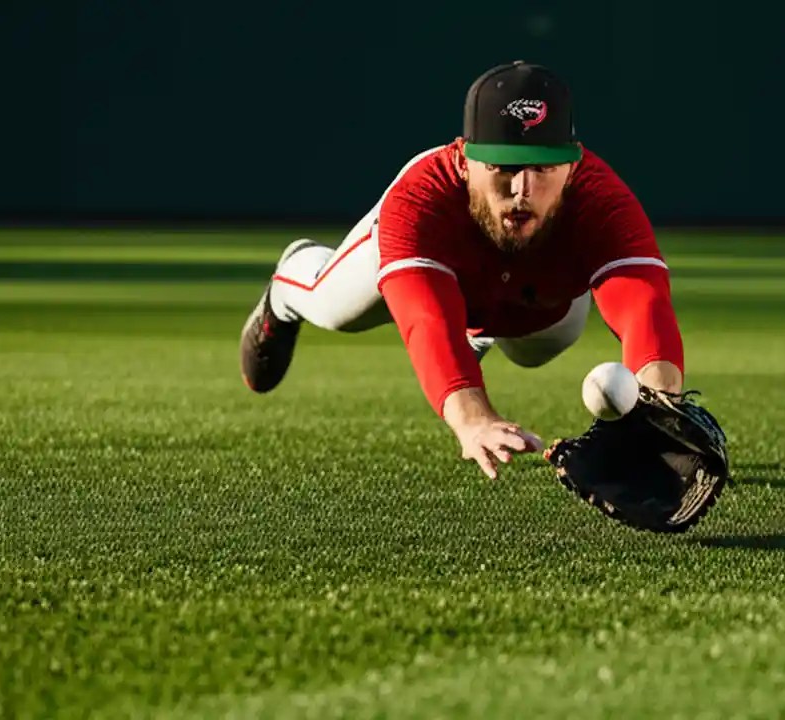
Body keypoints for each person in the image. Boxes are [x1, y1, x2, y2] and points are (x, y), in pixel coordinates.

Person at [240, 61, 685, 480]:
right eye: (503, 166)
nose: (522, 190)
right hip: (440, 278)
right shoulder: (421, 201)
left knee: (537, 350)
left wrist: (662, 418)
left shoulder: (602, 199)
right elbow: (426, 321)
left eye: (544, 167)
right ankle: (287, 286)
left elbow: (644, 304)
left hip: (539, 307)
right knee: (336, 308)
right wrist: (473, 418)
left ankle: (481, 328)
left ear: (572, 164)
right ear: (465, 158)